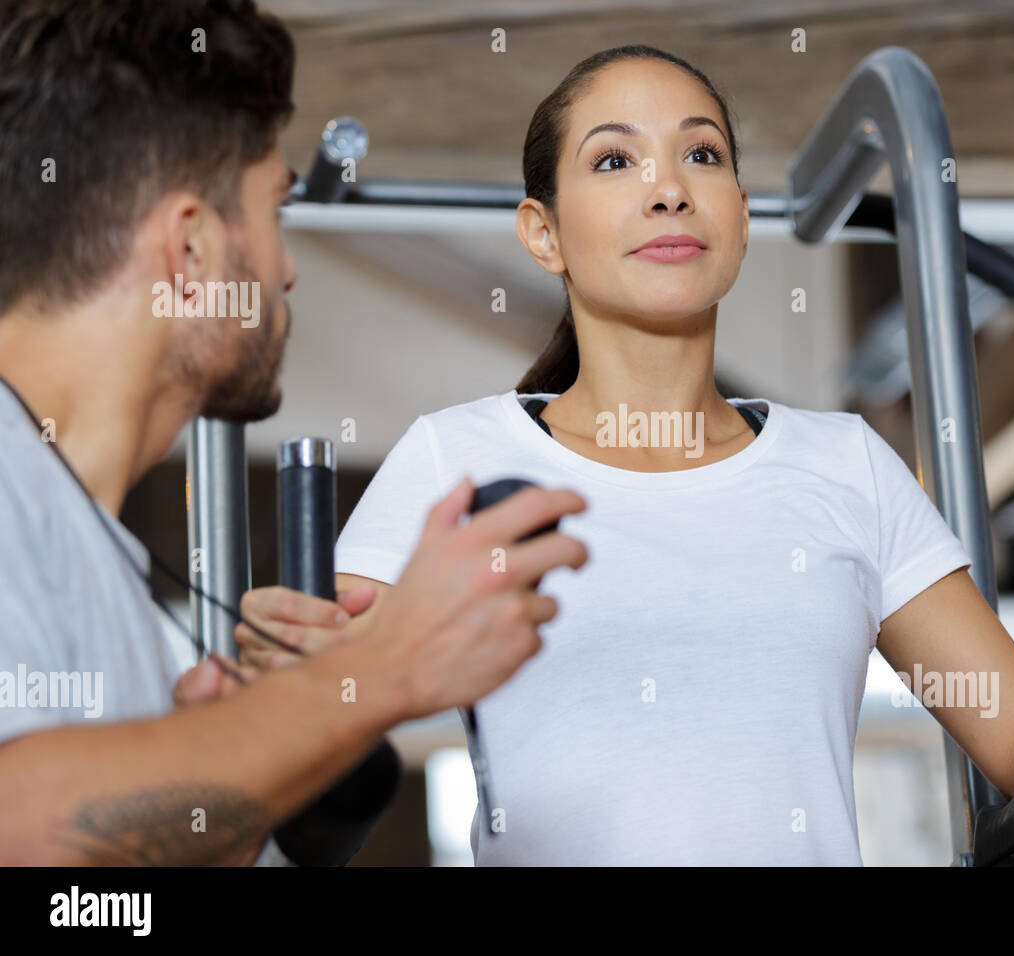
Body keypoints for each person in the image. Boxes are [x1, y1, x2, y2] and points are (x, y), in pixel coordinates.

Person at [237, 46, 1014, 865]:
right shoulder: (453, 460)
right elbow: (309, 717)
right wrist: (293, 674)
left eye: (702, 155)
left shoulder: (845, 465)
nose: (669, 189)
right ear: (541, 235)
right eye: (613, 160)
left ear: (733, 211)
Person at [0, 0, 587, 866]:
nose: (288, 268)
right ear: (191, 251)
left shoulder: (88, 561)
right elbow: (24, 828)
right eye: (274, 210)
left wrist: (235, 778)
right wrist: (386, 667)